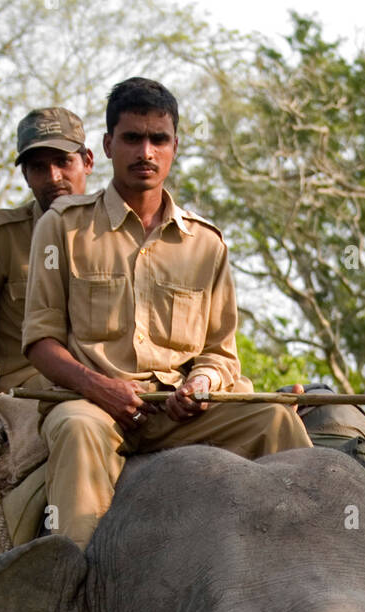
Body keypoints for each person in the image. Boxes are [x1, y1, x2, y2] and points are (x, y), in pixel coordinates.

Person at [22, 77, 311, 545]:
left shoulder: (206, 243)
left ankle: (318, 550)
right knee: (75, 431)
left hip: (182, 414)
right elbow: (40, 341)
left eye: (158, 139)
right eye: (133, 138)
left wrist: (200, 385)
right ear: (108, 145)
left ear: (175, 146)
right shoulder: (63, 227)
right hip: (92, 410)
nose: (146, 152)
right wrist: (101, 389)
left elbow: (220, 354)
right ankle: (70, 584)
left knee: (275, 419)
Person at [0, 107, 94, 408]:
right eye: (38, 167)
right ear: (26, 176)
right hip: (33, 391)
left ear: (87, 161)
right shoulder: (0, 235)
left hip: (117, 382)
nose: (54, 177)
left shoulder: (119, 233)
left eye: (63, 162)